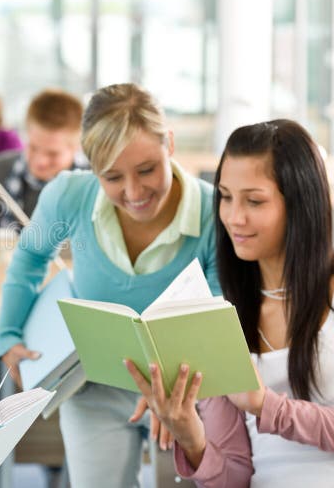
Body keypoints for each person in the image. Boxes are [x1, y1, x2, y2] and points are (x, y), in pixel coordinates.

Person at [0, 83, 220, 486]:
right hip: (93, 386)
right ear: (92, 166)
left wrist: (177, 401)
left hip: (185, 393)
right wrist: (8, 334)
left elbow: (218, 316)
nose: (133, 193)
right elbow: (30, 259)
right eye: (112, 177)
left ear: (169, 143)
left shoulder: (212, 213)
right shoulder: (69, 195)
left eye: (147, 169)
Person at [125, 119, 334, 488]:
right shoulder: (221, 320)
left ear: (301, 203)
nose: (234, 217)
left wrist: (267, 406)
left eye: (254, 200)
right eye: (224, 196)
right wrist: (191, 437)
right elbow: (233, 477)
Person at [0, 88, 85, 412]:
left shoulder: (88, 183)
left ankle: (53, 453)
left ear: (74, 147)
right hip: (1, 293)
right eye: (34, 148)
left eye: (52, 155)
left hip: (63, 300)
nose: (40, 161)